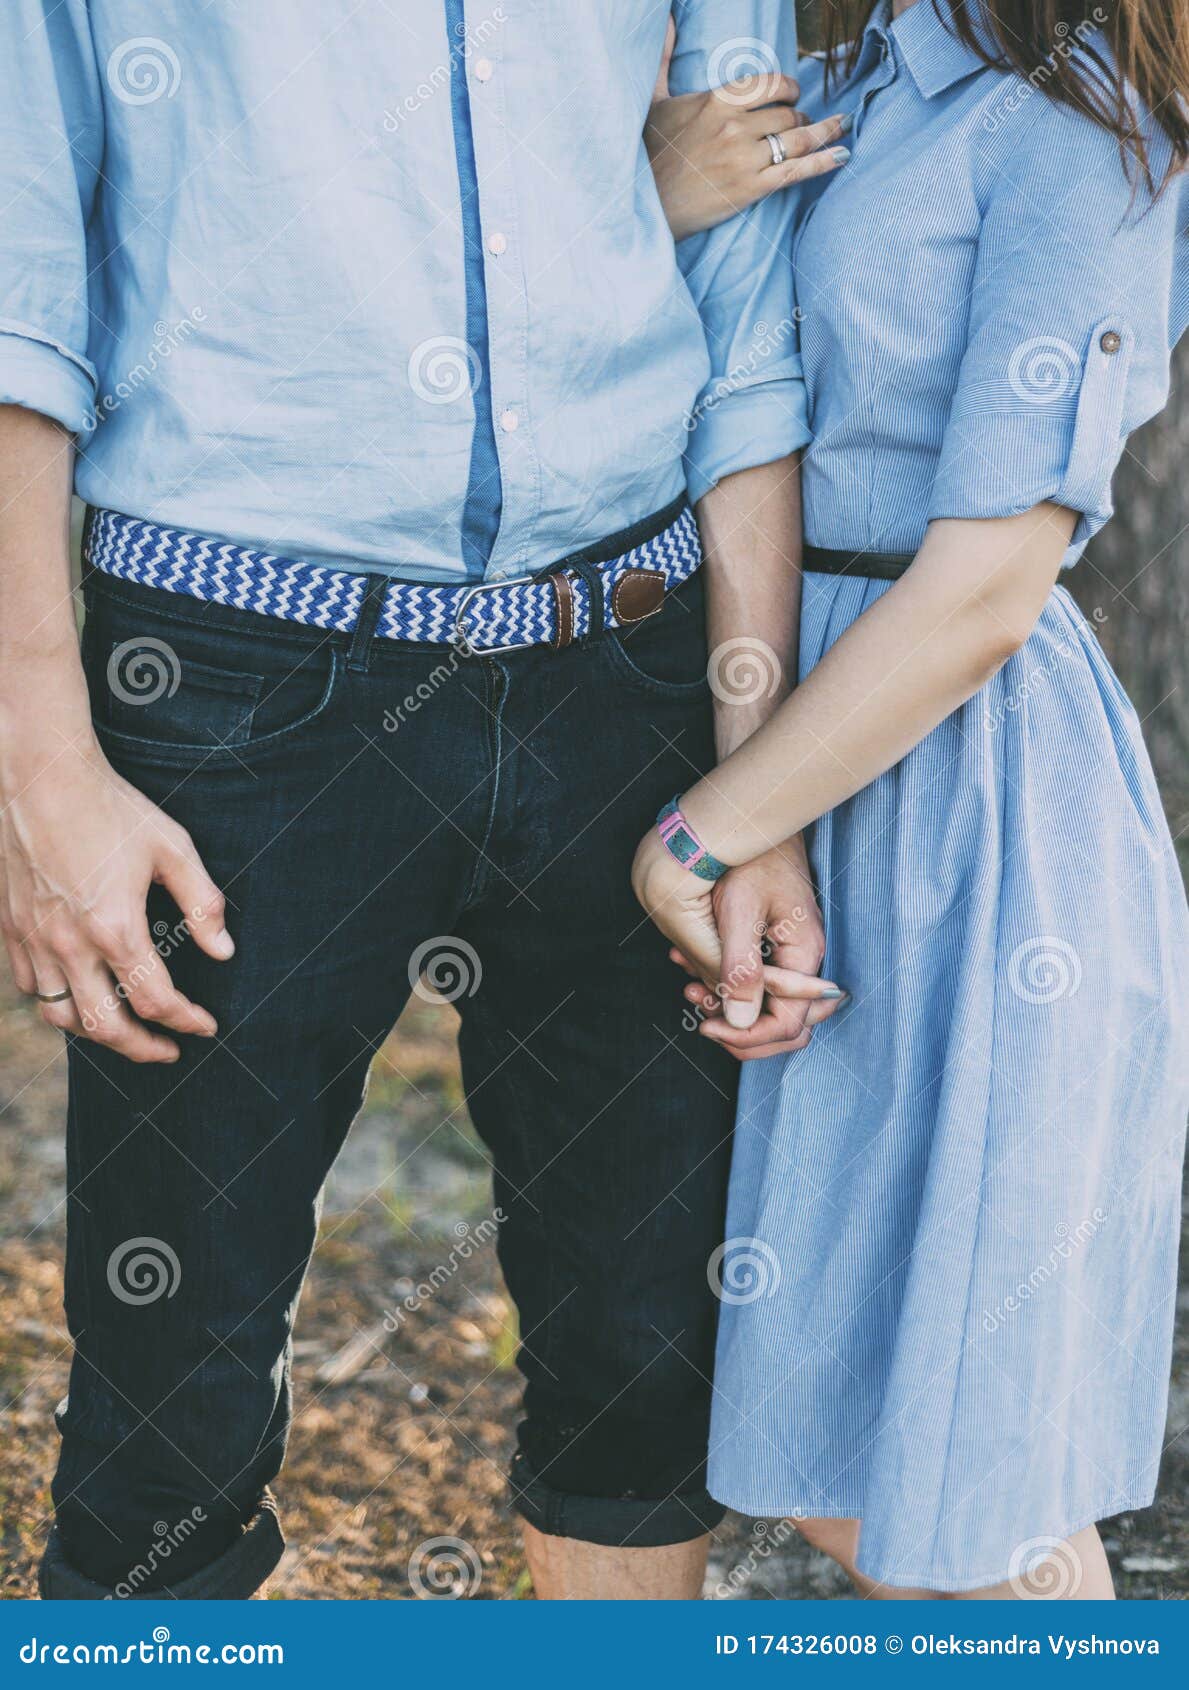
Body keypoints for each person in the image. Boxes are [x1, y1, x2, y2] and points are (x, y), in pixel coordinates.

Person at [0, 3, 846, 1600]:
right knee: (168, 1406)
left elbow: (743, 335)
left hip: (630, 673)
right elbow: (15, 286)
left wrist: (754, 791)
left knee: (643, 1356)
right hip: (238, 683)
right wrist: (41, 765)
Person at [639, 0, 1189, 1598]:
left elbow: (985, 592)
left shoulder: (1085, 133)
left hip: (951, 798)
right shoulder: (839, 72)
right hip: (758, 736)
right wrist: (650, 210)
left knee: (939, 1471)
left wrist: (707, 828)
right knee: (787, 1414)